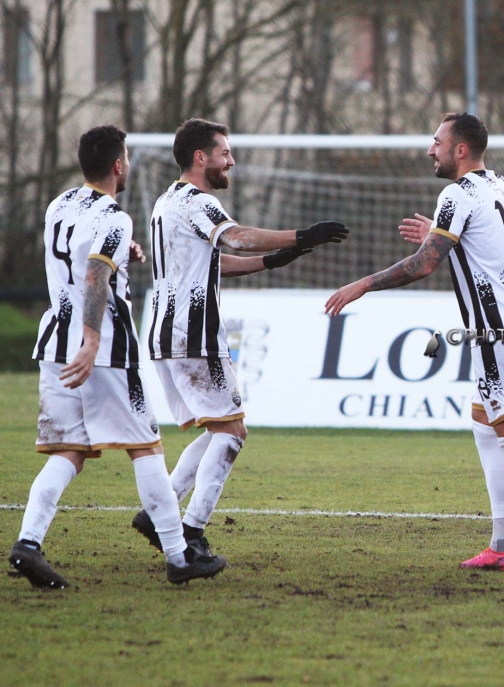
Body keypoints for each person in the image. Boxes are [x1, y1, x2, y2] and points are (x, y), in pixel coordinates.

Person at [328, 113, 504, 571]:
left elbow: (425, 263)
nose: (431, 150)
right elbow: (489, 246)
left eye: (437, 141)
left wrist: (363, 285)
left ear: (461, 149)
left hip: (494, 330)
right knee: (486, 425)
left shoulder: (455, 193)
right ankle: (503, 543)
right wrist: (438, 228)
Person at [9, 125, 226, 588]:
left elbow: (76, 258)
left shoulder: (59, 205)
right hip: (103, 349)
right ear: (118, 165)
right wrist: (91, 340)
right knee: (145, 447)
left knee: (68, 452)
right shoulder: (114, 215)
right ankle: (178, 556)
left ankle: (28, 542)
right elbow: (92, 276)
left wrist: (122, 255)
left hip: (54, 343)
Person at [131, 118, 348, 560]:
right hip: (195, 335)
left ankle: (161, 513)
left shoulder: (164, 203)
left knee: (219, 429)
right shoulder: (198, 201)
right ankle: (188, 530)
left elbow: (212, 263)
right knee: (232, 433)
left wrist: (274, 260)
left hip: (163, 335)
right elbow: (236, 238)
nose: (231, 161)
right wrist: (303, 235)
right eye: (224, 153)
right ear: (200, 158)